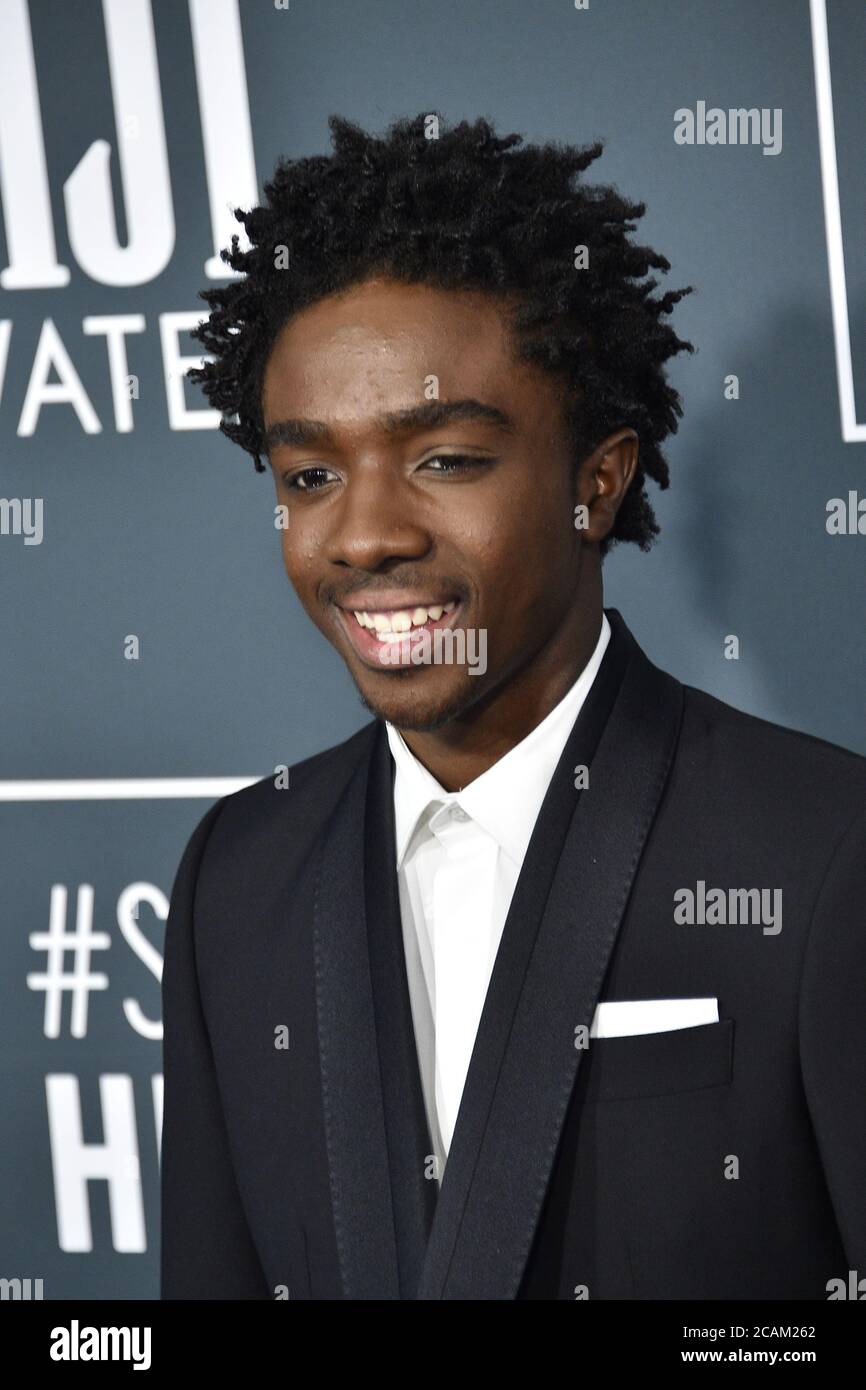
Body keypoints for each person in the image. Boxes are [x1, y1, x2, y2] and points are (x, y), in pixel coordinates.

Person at [161, 113, 866, 1300]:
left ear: (597, 479)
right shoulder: (239, 872)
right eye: (310, 477)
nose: (368, 532)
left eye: (444, 457)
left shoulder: (822, 848)